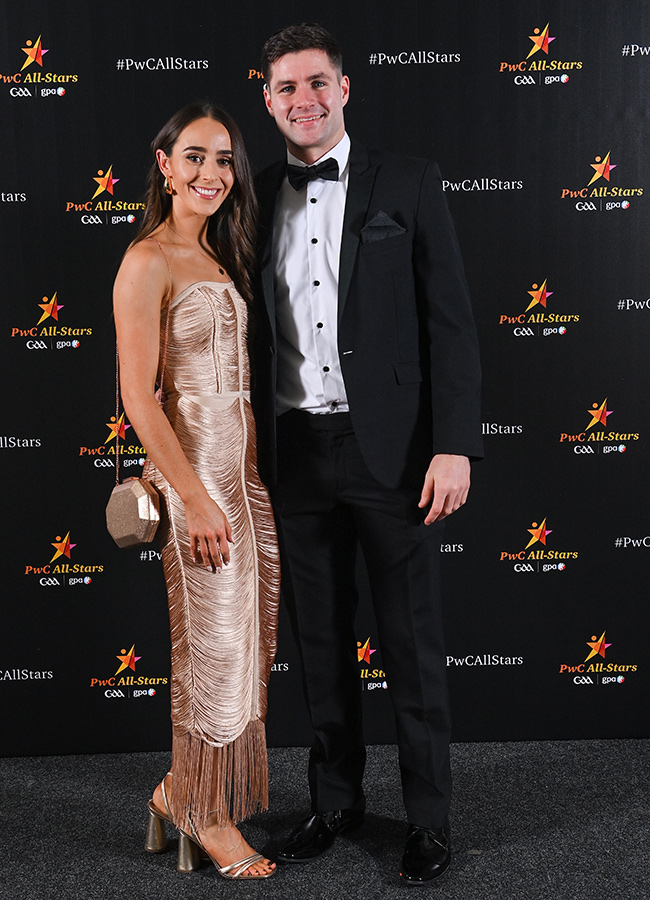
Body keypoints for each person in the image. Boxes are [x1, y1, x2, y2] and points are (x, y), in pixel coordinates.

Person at [251, 24, 482, 884]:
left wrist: (455, 446)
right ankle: (335, 802)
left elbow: (452, 327)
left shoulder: (410, 184)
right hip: (296, 452)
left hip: (394, 454)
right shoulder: (256, 193)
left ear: (344, 89)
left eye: (317, 82)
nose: (302, 98)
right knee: (319, 644)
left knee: (411, 644)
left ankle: (428, 821)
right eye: (285, 87)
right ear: (266, 98)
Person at [113, 102, 279, 880]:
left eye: (223, 160)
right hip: (198, 487)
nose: (211, 173)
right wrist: (196, 497)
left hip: (241, 485)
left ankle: (178, 792)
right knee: (209, 654)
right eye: (195, 157)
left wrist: (234, 492)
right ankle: (206, 817)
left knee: (246, 648)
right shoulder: (148, 259)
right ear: (164, 164)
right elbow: (140, 398)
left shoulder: (216, 255)